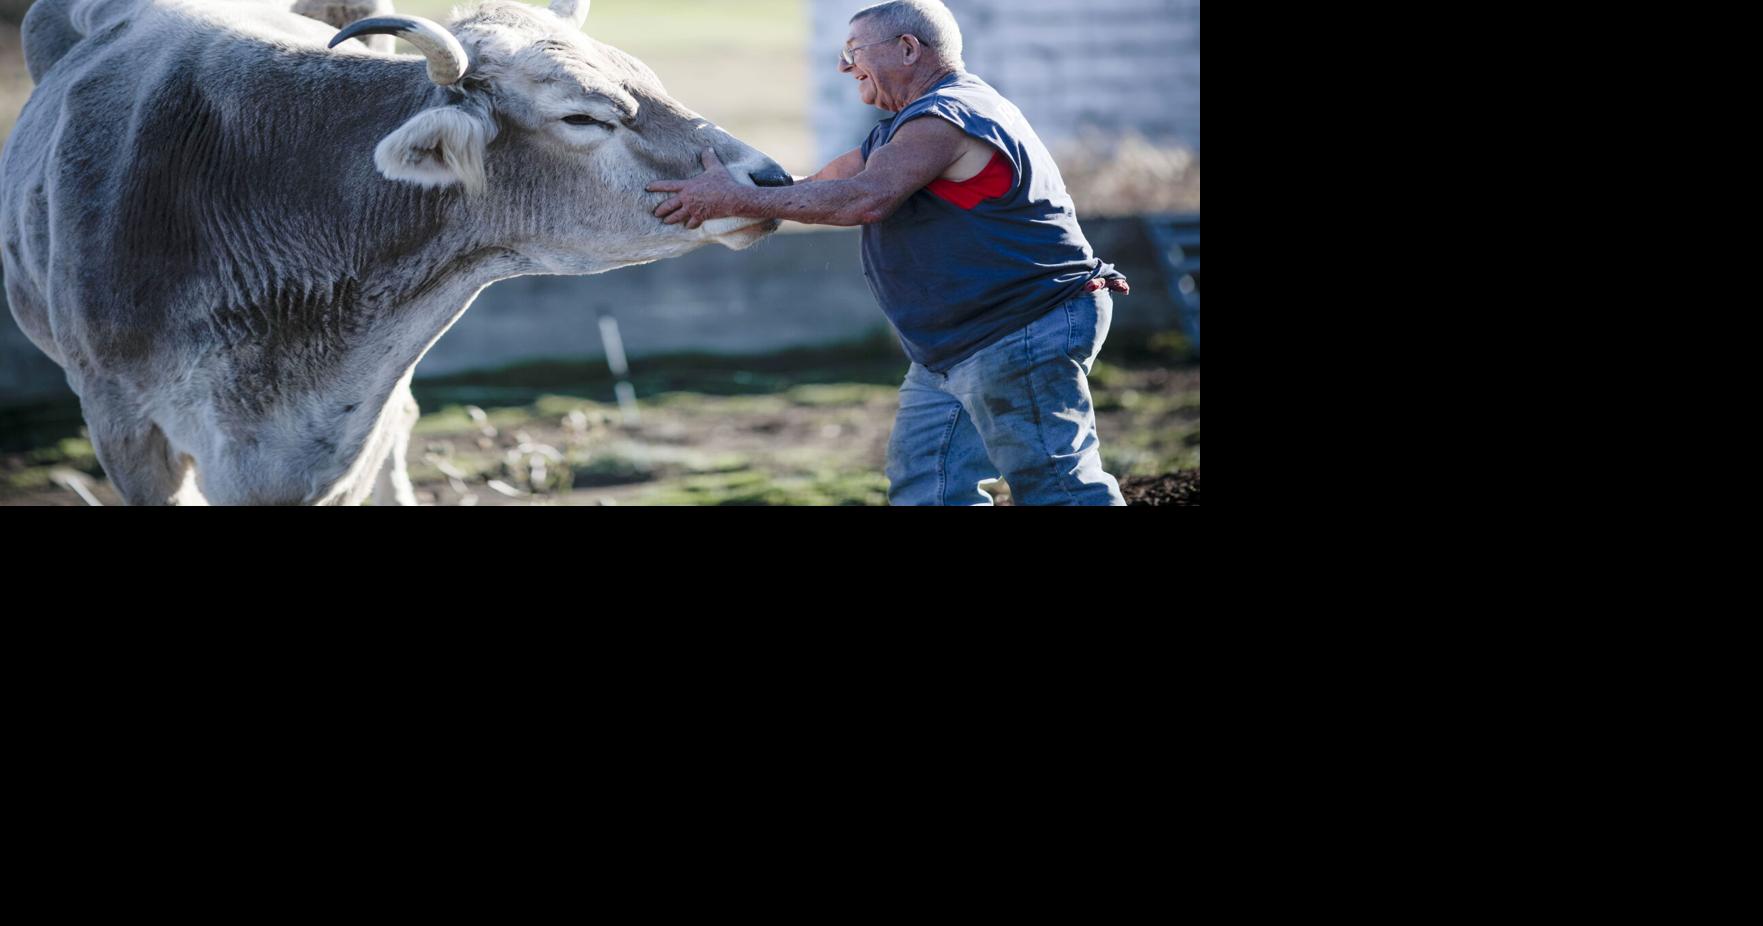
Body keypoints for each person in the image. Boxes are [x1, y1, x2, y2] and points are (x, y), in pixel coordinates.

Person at [647, 0, 1127, 505]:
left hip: (1017, 327)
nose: (842, 66)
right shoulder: (907, 126)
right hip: (957, 344)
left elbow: (864, 198)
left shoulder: (946, 118)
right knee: (927, 486)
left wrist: (737, 198)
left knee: (1058, 486)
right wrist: (736, 193)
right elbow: (820, 184)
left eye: (853, 51)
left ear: (906, 48)